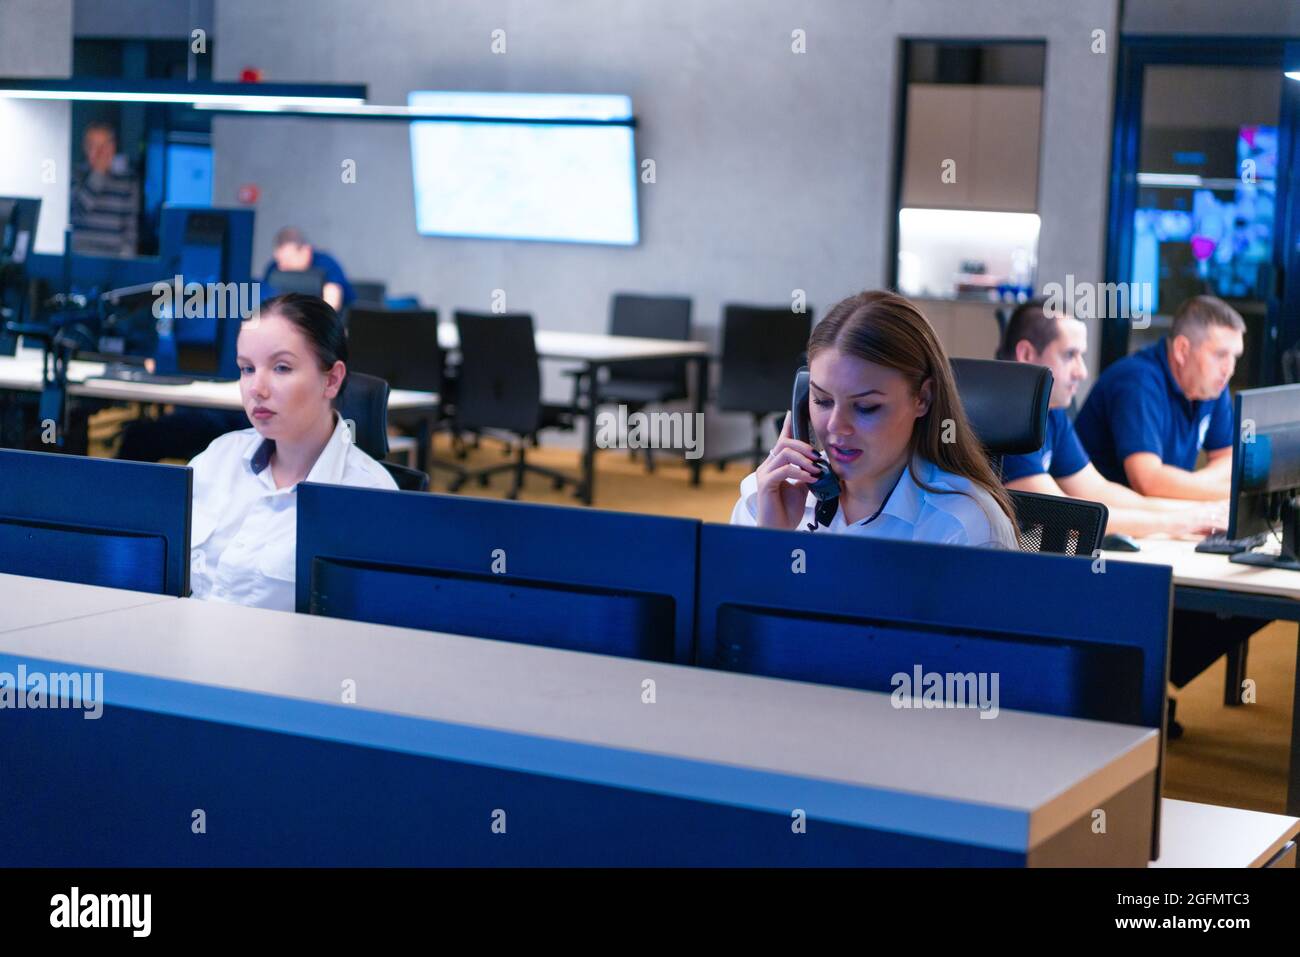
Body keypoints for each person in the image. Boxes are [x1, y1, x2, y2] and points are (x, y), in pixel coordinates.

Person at [731, 290, 1019, 549]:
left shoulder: (964, 529)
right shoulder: (765, 496)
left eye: (866, 407)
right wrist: (771, 540)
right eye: (822, 400)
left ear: (923, 398)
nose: (835, 427)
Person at [188, 293, 397, 612]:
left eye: (282, 368)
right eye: (246, 369)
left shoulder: (370, 496)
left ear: (332, 380)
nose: (256, 388)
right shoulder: (217, 459)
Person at [996, 299, 1225, 538]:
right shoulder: (1006, 418)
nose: (1082, 372)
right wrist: (1172, 524)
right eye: (1069, 355)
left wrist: (1199, 513)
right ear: (1026, 353)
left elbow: (1097, 490)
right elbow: (1063, 516)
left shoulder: (1050, 412)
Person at [1074, 295, 1243, 500]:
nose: (1230, 369)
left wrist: (1190, 486)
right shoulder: (1137, 381)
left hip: (1158, 514)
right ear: (1182, 350)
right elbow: (1148, 481)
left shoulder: (1211, 384)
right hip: (1105, 522)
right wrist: (1231, 493)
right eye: (1220, 355)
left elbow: (1227, 458)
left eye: (1235, 357)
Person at [69, 121, 139, 258]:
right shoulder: (74, 175)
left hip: (113, 261)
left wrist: (126, 261)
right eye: (94, 146)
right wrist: (98, 174)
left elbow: (130, 228)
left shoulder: (127, 181)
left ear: (113, 148)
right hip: (80, 257)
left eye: (104, 146)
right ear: (86, 148)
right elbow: (80, 209)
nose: (100, 152)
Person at [261, 226, 355, 313]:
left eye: (289, 259)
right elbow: (263, 300)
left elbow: (332, 304)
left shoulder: (327, 265)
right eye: (280, 260)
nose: (282, 266)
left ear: (306, 250)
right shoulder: (274, 267)